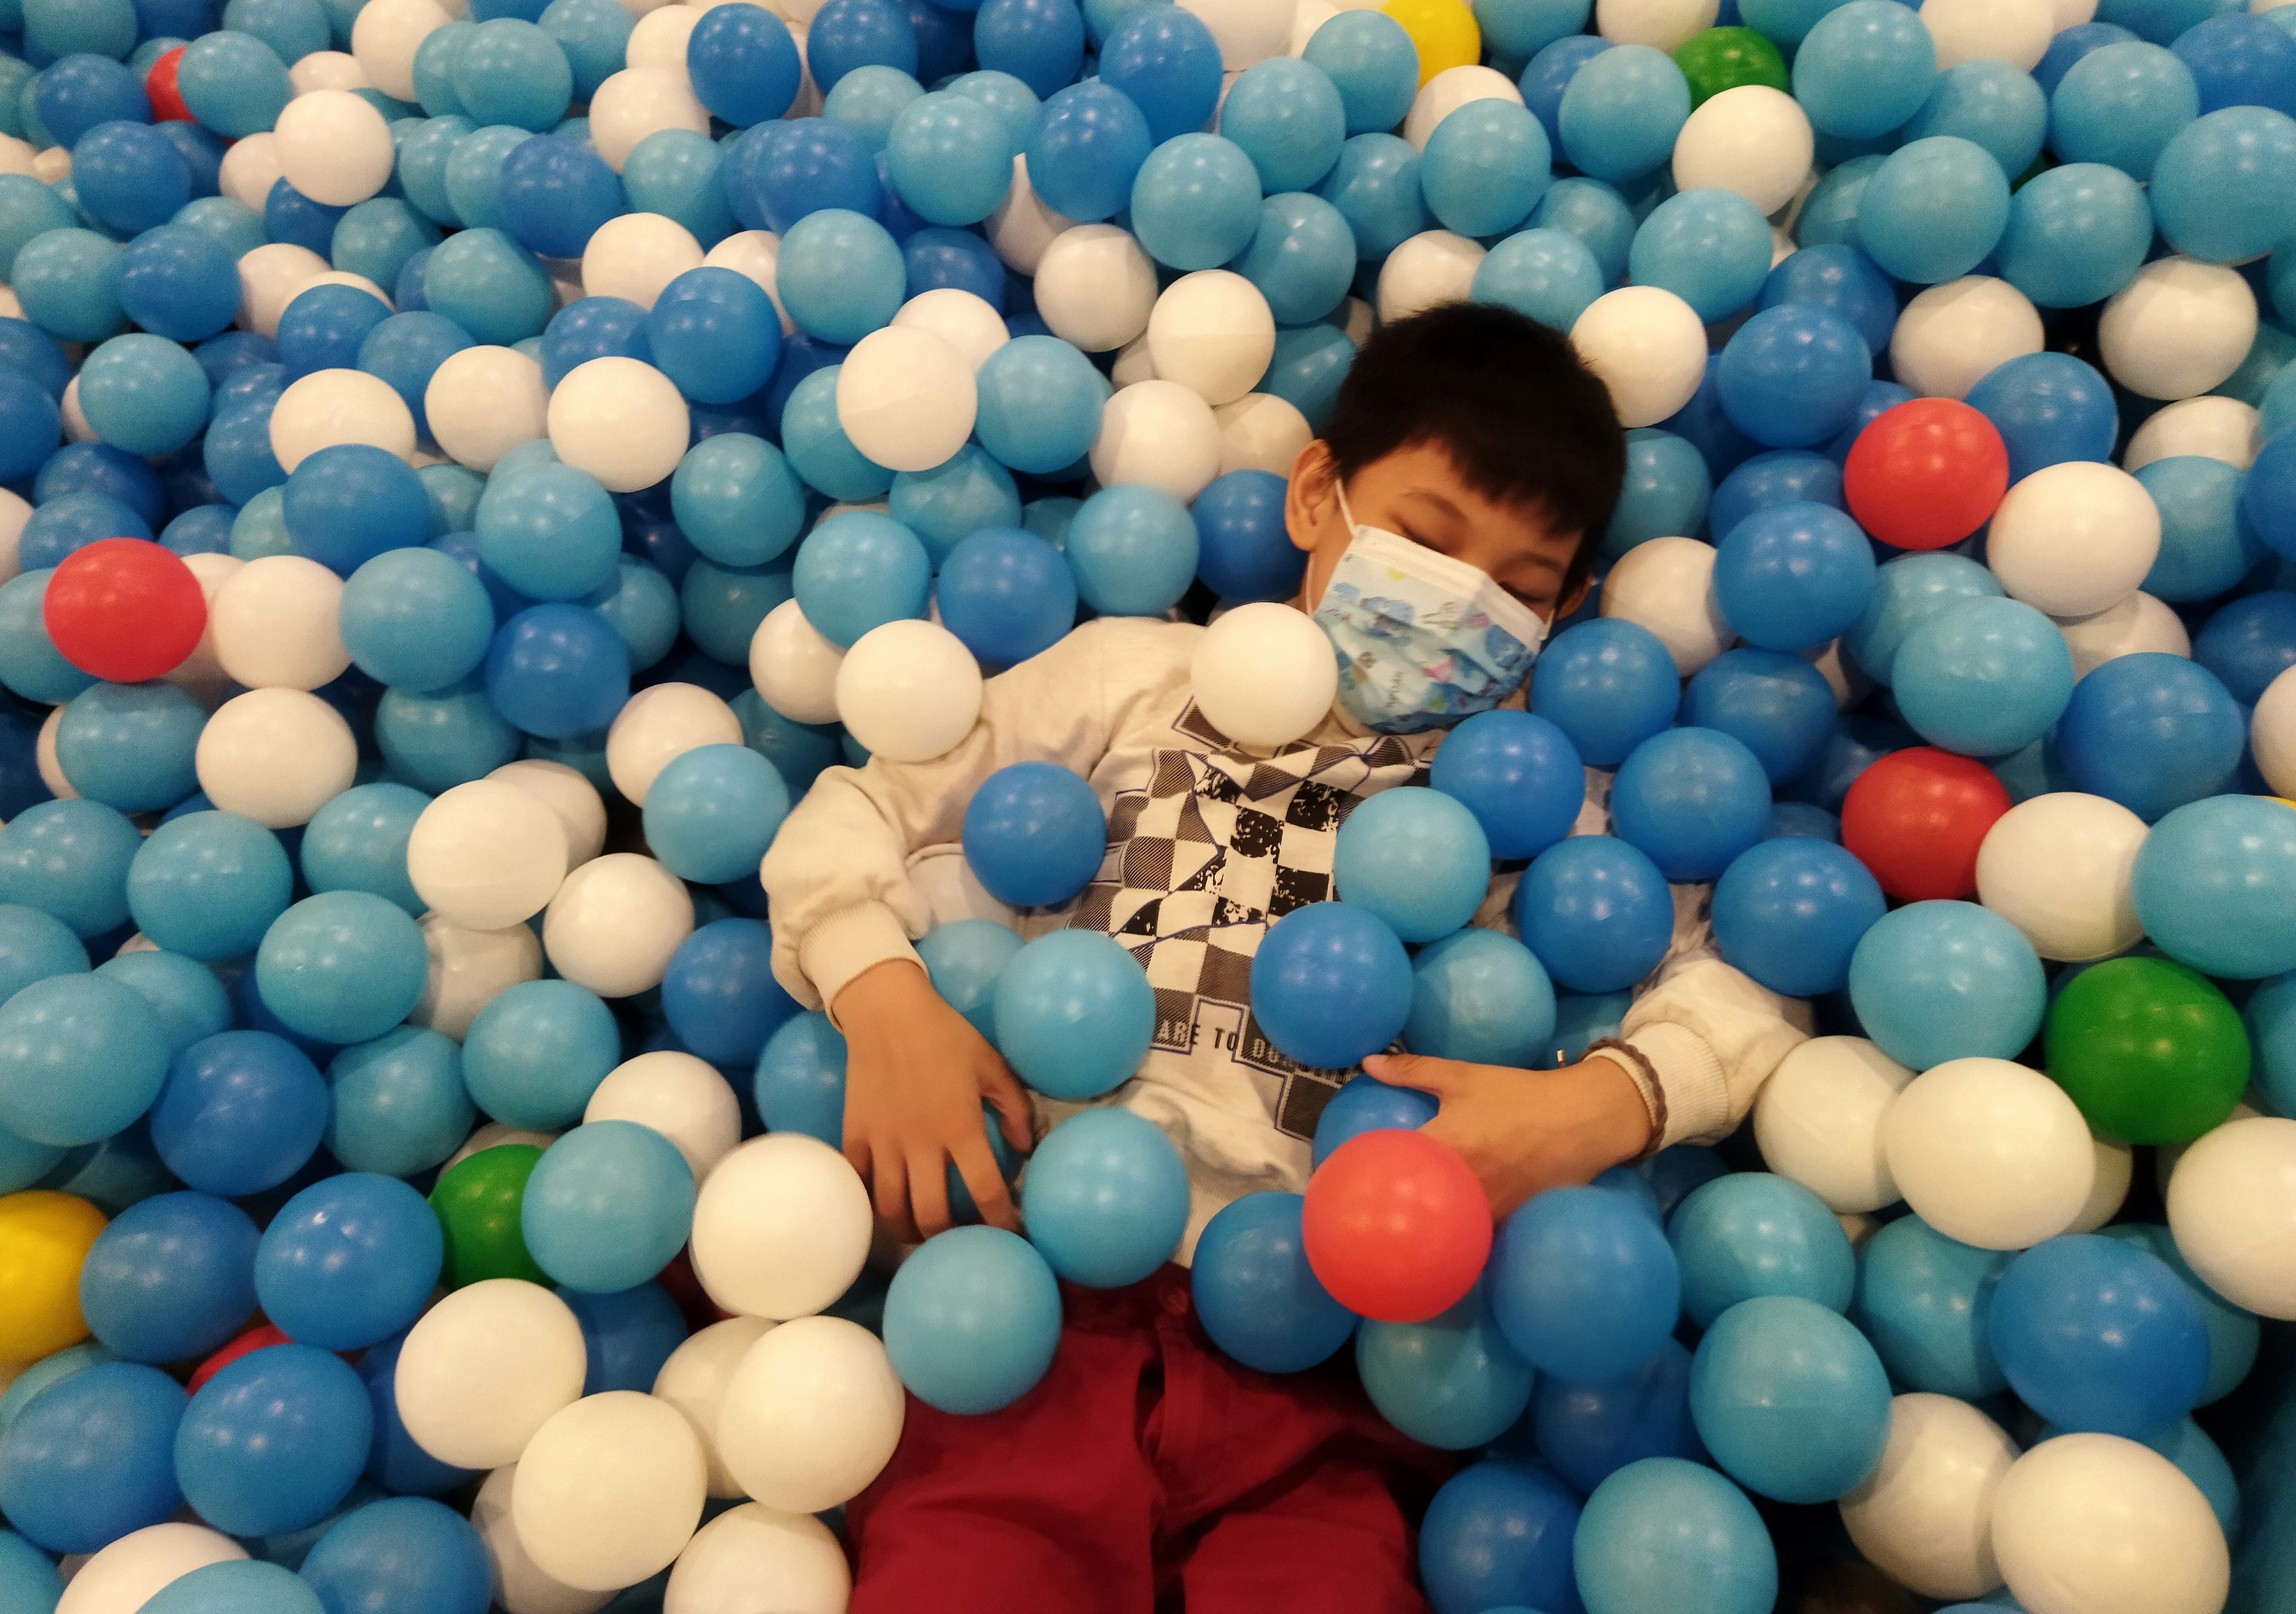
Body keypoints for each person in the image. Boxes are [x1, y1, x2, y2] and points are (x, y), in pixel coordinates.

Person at [759, 302, 1811, 1613]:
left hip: (1327, 1356)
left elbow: (1754, 968)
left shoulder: (1528, 794)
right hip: (1026, 1303)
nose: (1458, 607)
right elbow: (863, 807)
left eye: (1520, 590)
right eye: (1425, 542)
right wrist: (883, 1000)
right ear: (1316, 493)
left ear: (1566, 614)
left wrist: (1596, 1107)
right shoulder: (1137, 675)